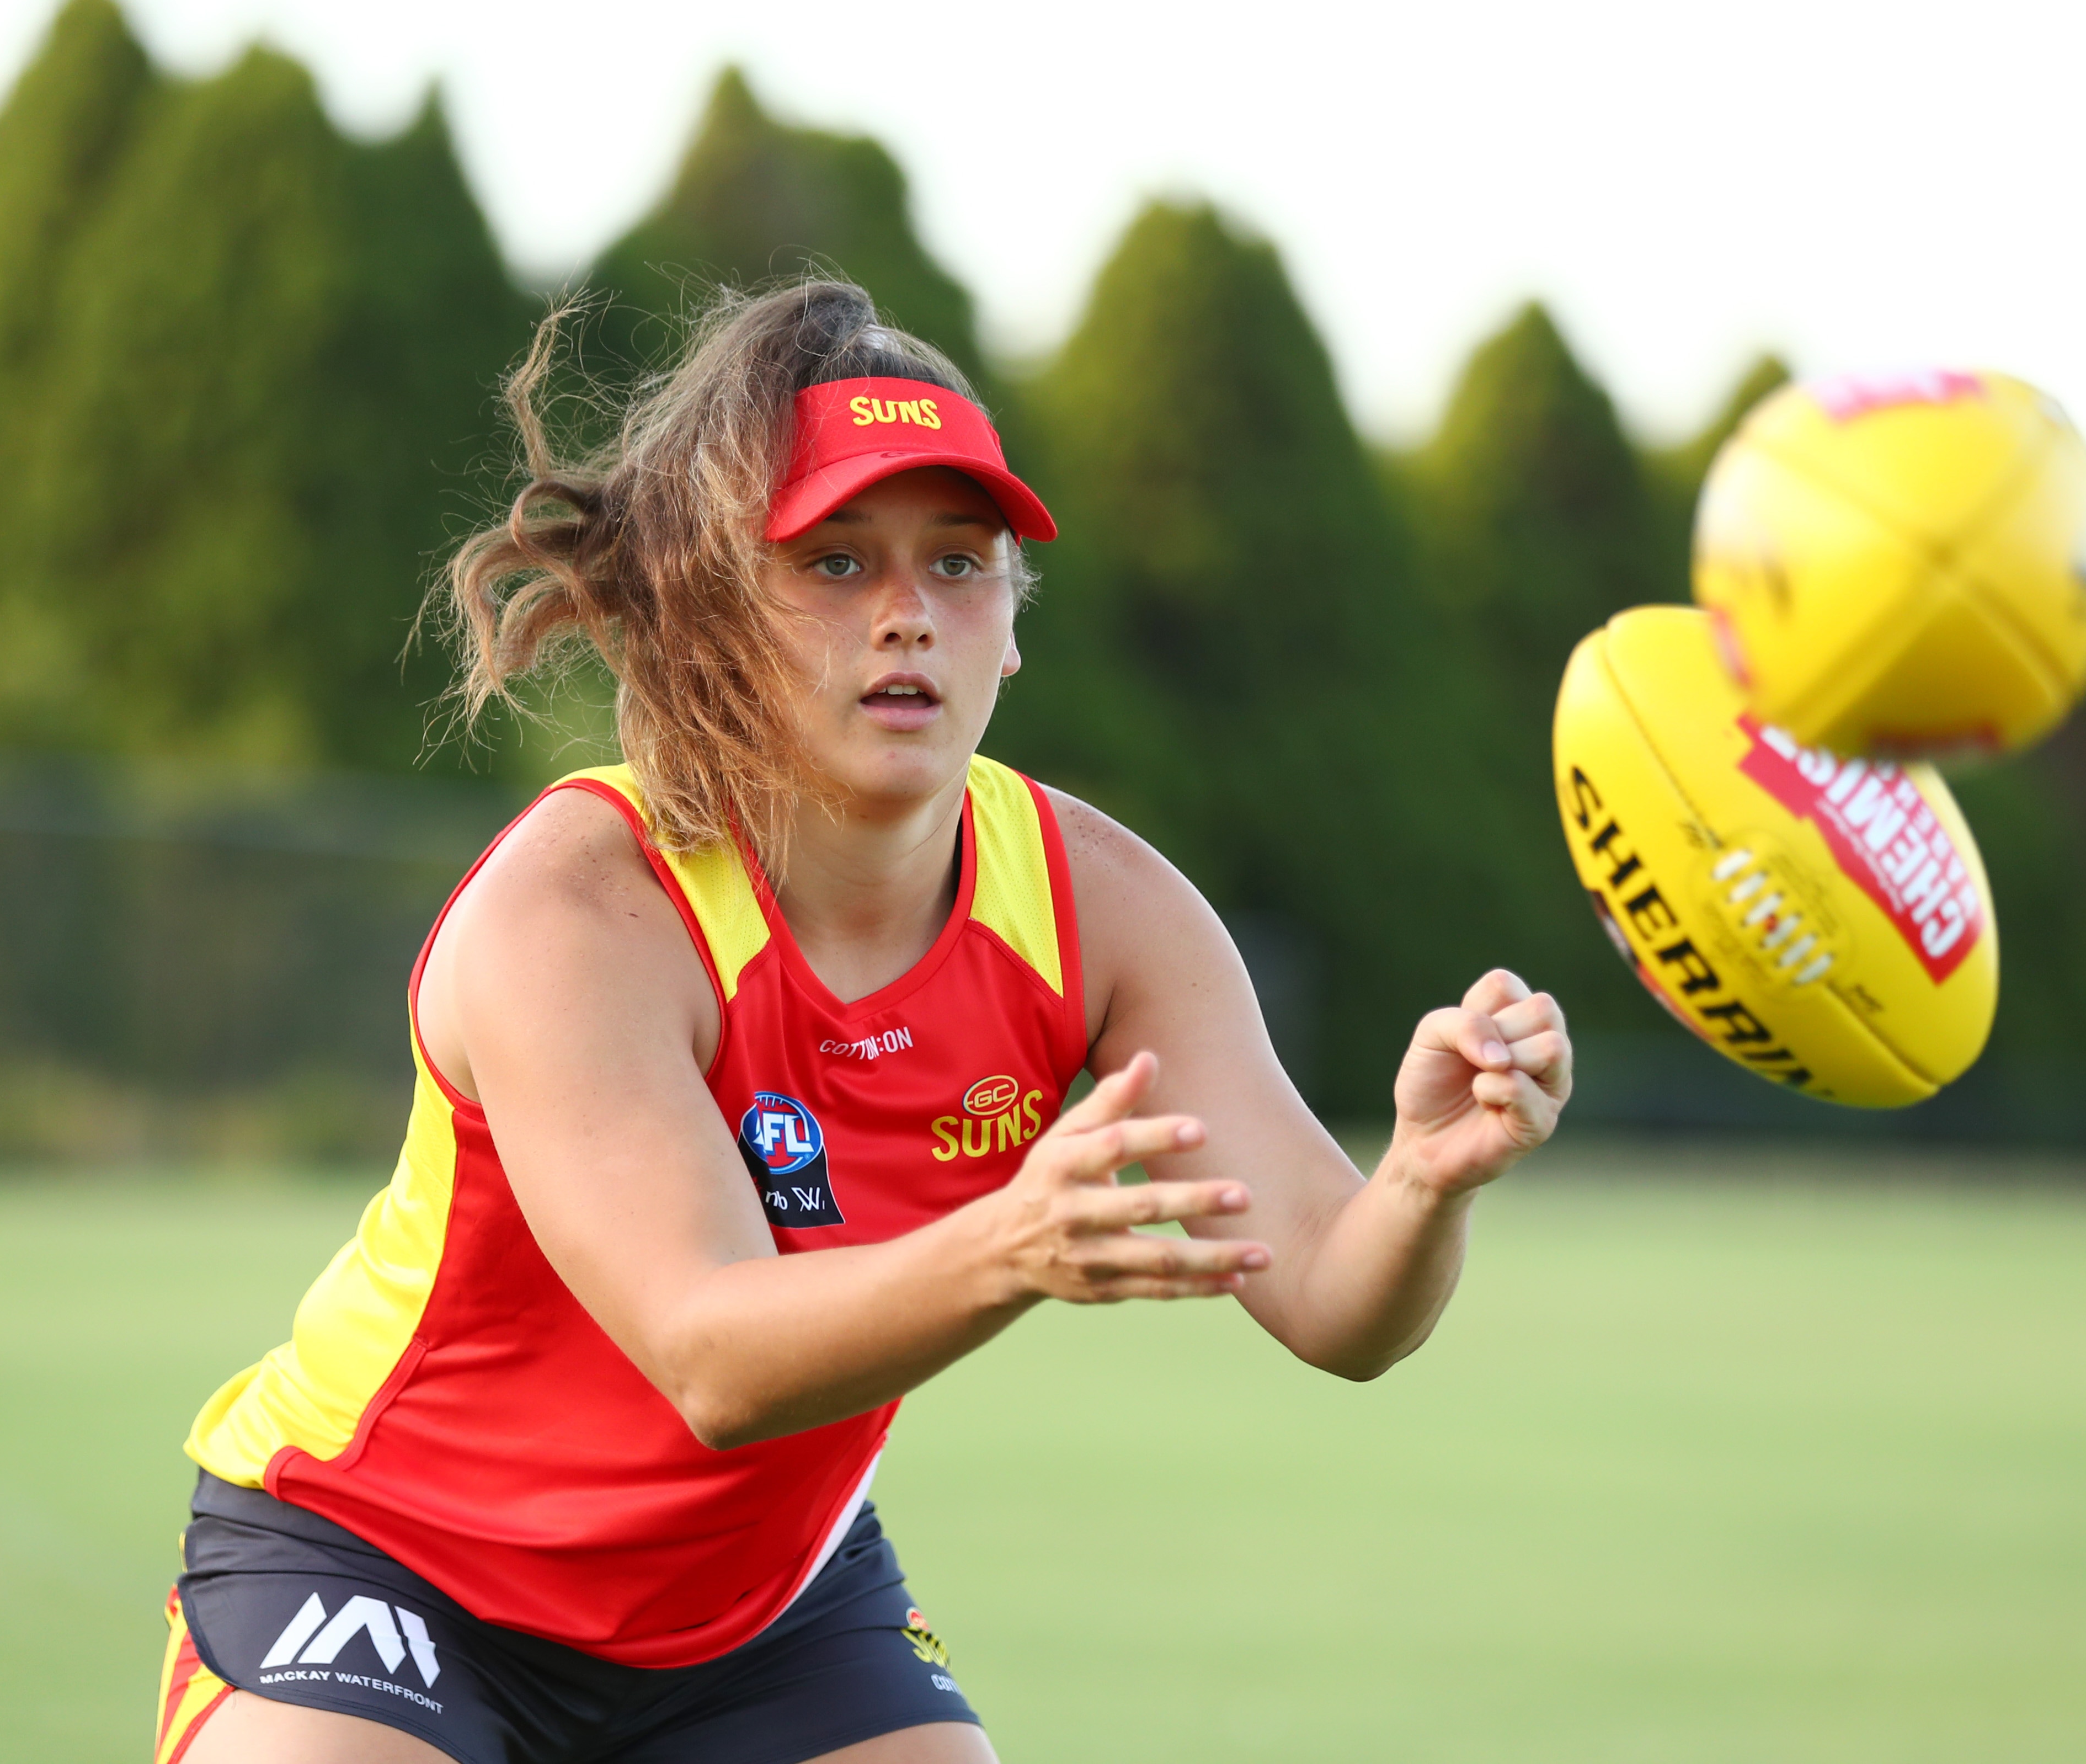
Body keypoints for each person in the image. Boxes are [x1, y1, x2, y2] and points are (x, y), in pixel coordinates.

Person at [154, 283, 1572, 1764]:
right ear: (712, 612)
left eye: (959, 565)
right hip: (393, 1560)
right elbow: (710, 1358)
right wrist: (1006, 1246)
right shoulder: (582, 910)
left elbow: (1341, 1310)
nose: (905, 611)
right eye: (834, 562)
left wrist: (1421, 1178)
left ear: (1011, 630)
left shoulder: (1101, 909)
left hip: (754, 1613)